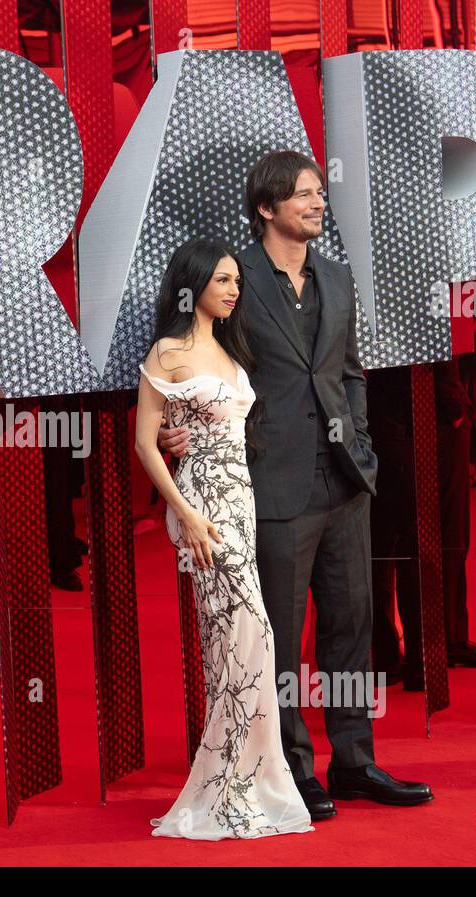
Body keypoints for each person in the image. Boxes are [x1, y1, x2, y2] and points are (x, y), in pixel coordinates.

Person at [159, 151, 432, 820]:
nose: (317, 203)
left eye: (319, 194)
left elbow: (351, 372)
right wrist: (177, 425)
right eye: (303, 195)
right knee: (278, 633)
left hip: (343, 483)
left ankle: (356, 761)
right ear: (266, 208)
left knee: (351, 627)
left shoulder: (337, 279)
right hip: (267, 482)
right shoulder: (234, 279)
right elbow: (181, 350)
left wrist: (359, 443)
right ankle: (291, 767)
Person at [135, 237, 313, 841]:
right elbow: (144, 442)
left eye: (237, 281)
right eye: (223, 281)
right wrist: (183, 513)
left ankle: (242, 783)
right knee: (249, 639)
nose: (234, 290)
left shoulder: (229, 346)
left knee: (237, 649)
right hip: (203, 507)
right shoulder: (169, 351)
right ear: (193, 285)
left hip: (242, 503)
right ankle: (225, 791)